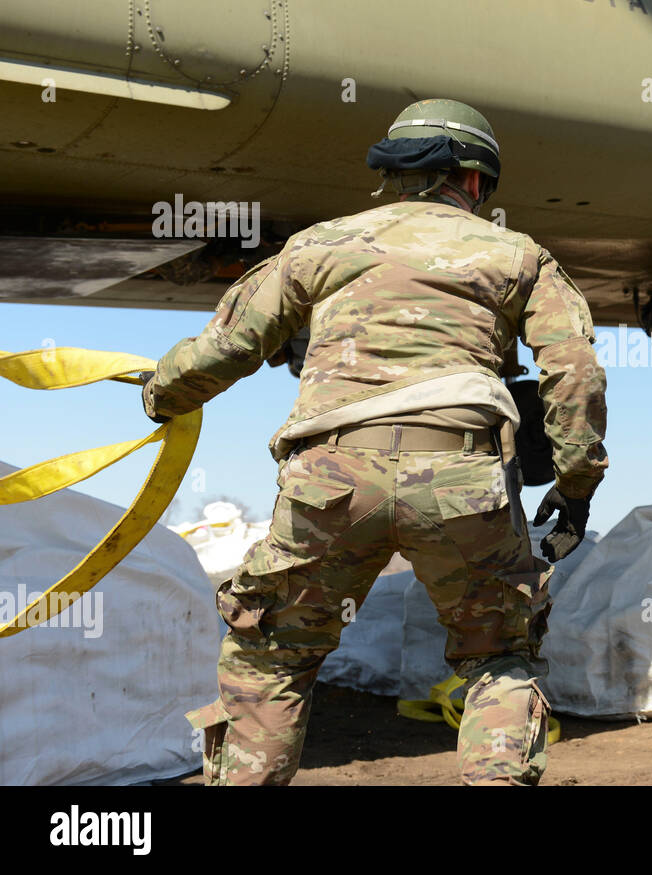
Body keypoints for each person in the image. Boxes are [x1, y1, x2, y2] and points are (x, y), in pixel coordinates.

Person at [141, 99, 608, 785]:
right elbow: (575, 374)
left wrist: (160, 394)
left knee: (272, 653)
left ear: (394, 173)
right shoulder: (519, 255)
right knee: (496, 658)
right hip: (464, 478)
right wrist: (575, 489)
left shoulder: (319, 245)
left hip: (330, 477)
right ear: (476, 181)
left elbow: (227, 346)